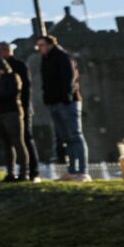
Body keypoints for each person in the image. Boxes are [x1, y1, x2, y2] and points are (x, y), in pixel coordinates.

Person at [37, 34, 89, 181]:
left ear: (50, 45)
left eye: (41, 45)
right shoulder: (46, 60)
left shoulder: (63, 57)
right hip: (54, 103)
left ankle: (82, 171)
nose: (39, 49)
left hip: (68, 102)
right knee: (66, 138)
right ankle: (72, 171)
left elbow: (70, 78)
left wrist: (66, 97)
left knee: (75, 136)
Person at [0, 41, 37, 179]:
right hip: (5, 110)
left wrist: (24, 109)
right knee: (10, 142)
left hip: (18, 109)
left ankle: (32, 171)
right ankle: (13, 172)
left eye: (3, 49)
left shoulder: (19, 66)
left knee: (25, 139)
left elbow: (25, 88)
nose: (0, 52)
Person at [0, 60, 28, 184]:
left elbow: (11, 93)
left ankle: (23, 173)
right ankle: (10, 173)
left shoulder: (12, 77)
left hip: (11, 113)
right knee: (5, 144)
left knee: (18, 142)